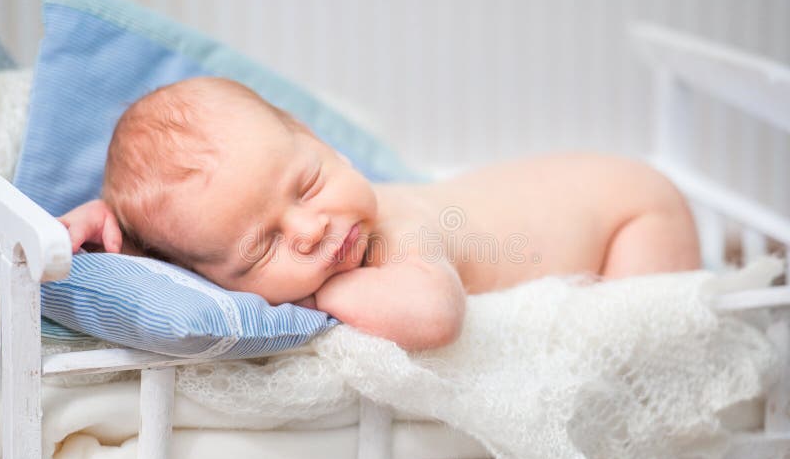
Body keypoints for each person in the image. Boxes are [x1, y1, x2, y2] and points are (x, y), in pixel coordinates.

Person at [59, 77, 701, 351]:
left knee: (634, 340)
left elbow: (436, 316)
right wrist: (109, 225)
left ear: (320, 142)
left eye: (308, 185)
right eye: (263, 249)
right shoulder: (229, 235)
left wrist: (320, 291)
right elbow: (176, 254)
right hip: (597, 193)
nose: (312, 230)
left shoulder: (400, 228)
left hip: (630, 212)